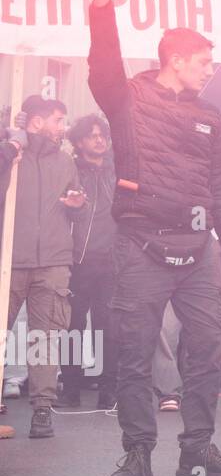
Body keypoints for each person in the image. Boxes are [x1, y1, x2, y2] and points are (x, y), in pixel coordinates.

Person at [85, 0, 221, 476]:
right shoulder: (127, 97)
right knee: (134, 351)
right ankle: (137, 454)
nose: (210, 71)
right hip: (140, 244)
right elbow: (103, 63)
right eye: (204, 62)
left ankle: (197, 451)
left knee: (208, 347)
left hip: (199, 249)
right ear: (176, 60)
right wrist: (103, 5)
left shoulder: (210, 115)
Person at [1, 96, 86, 438]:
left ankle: (42, 409)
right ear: (37, 122)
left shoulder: (66, 161)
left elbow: (75, 202)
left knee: (45, 337)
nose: (63, 127)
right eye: (58, 119)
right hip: (9, 258)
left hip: (52, 261)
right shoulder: (10, 154)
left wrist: (77, 204)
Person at [57, 114, 118, 411]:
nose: (99, 139)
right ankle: (71, 387)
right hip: (77, 259)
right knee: (73, 325)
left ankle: (109, 388)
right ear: (79, 141)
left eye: (102, 134)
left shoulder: (115, 170)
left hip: (112, 259)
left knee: (109, 325)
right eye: (92, 135)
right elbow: (63, 211)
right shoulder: (69, 169)